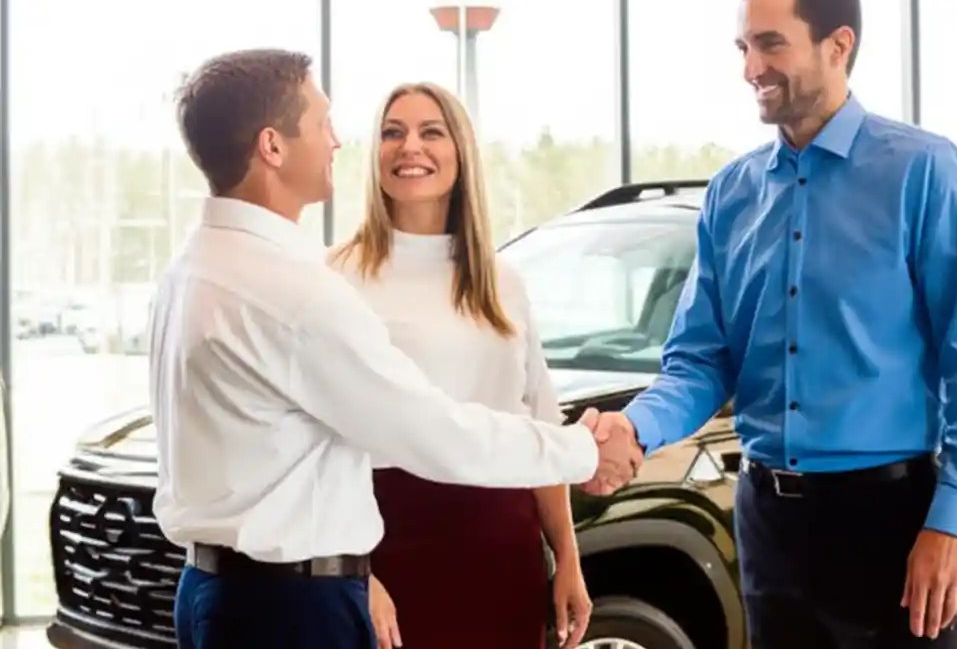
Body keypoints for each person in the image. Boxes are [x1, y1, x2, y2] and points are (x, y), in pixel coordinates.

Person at [588, 0, 957, 649]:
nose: (751, 67)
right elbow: (701, 361)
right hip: (769, 525)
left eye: (770, 44)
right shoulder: (731, 194)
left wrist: (954, 523)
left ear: (838, 45)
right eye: (744, 47)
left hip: (892, 520)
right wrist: (636, 431)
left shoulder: (922, 171)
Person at [152, 49, 637, 649]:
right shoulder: (301, 290)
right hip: (299, 595)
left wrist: (565, 545)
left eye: (433, 132)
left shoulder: (196, 268)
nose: (336, 141)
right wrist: (586, 451)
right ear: (273, 146)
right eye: (323, 122)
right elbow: (428, 429)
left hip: (236, 585)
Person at [327, 81, 594, 649]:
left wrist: (567, 558)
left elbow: (541, 428)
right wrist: (354, 572)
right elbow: (316, 444)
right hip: (385, 540)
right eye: (392, 132)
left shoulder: (503, 284)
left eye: (431, 132)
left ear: (460, 152)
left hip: (499, 542)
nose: (410, 147)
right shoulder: (335, 277)